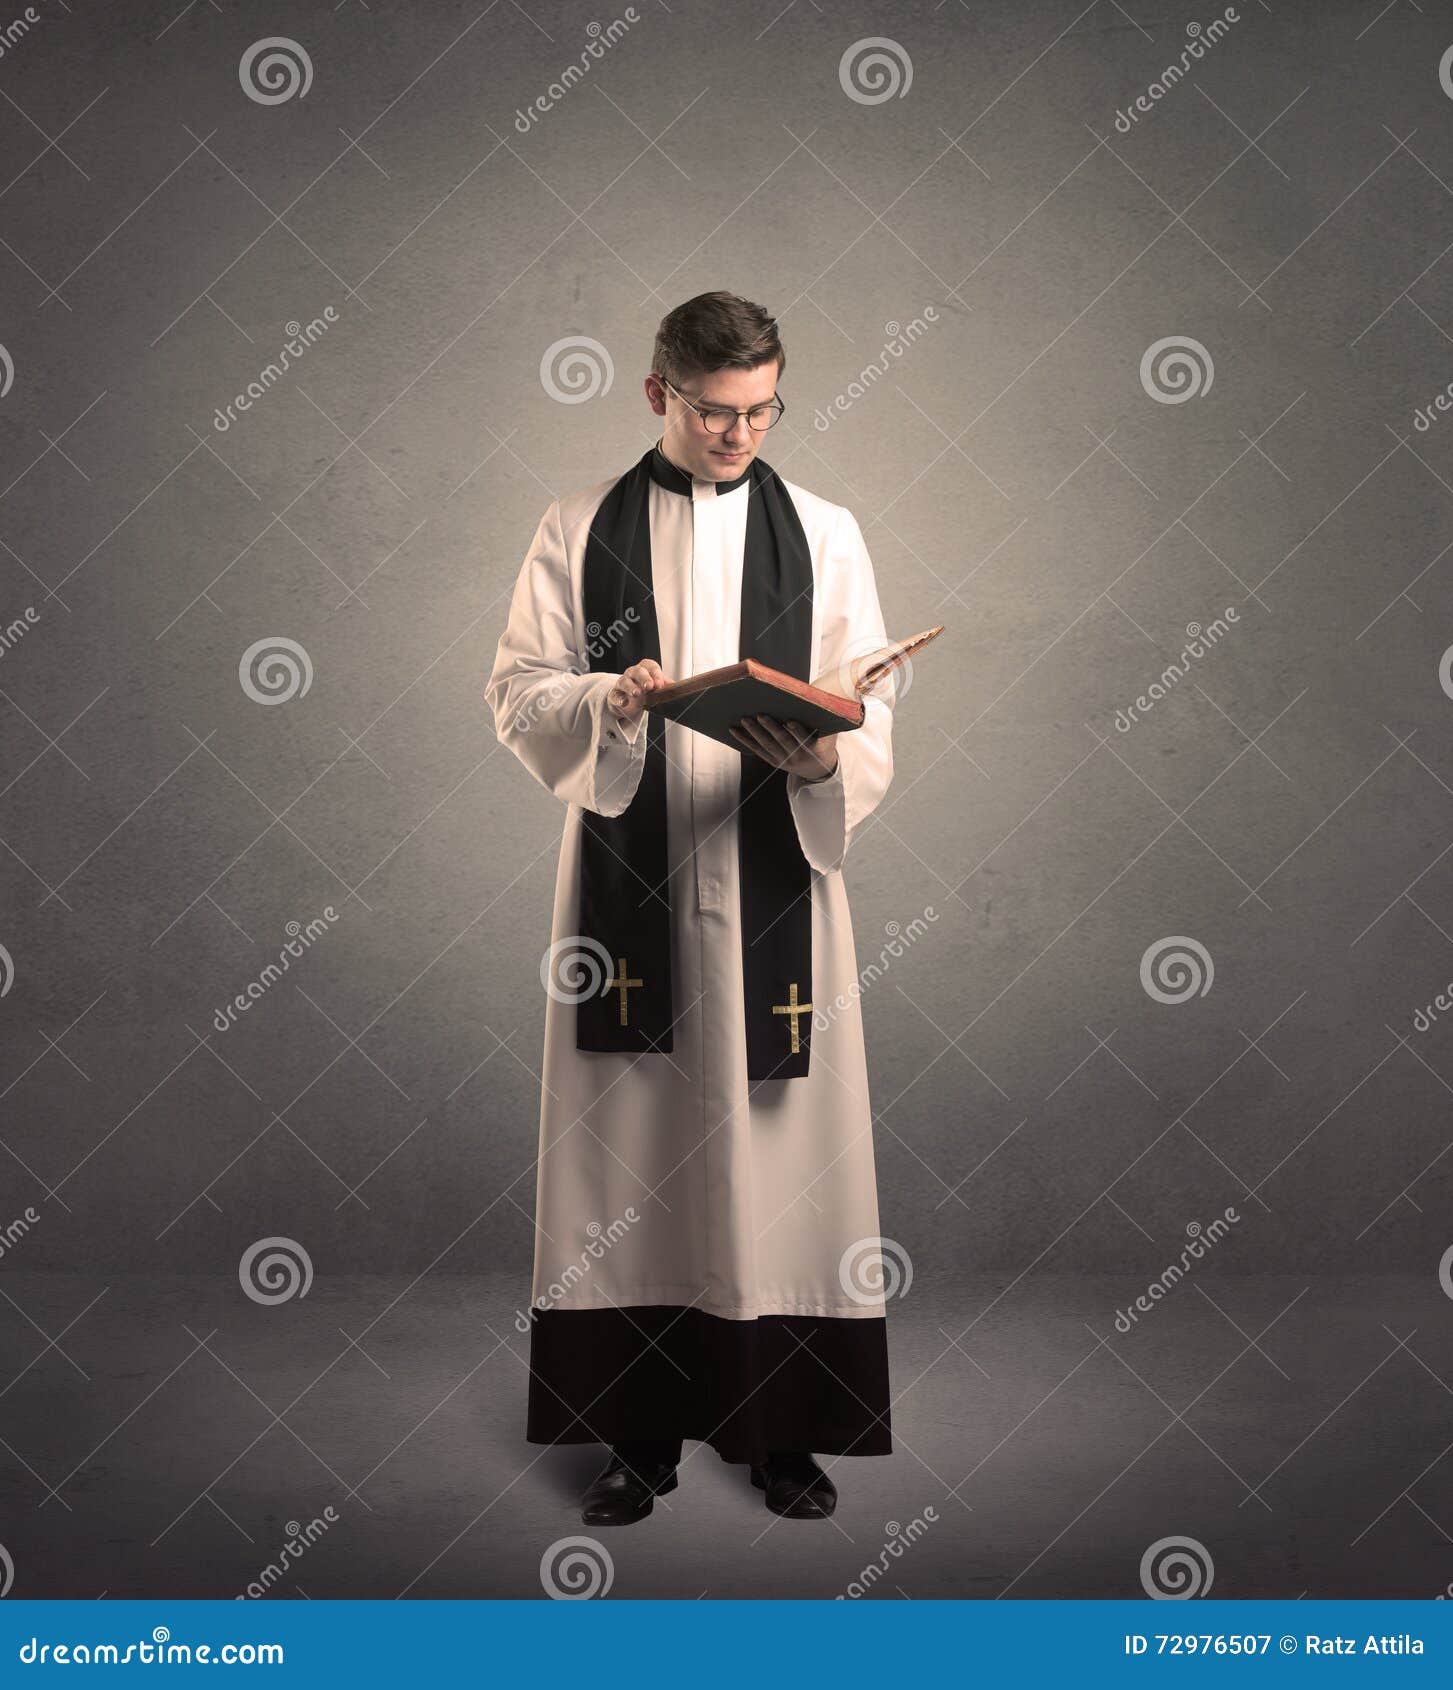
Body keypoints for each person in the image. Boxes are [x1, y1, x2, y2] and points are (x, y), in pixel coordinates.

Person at [486, 290, 897, 1526]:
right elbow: (517, 692)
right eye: (716, 411)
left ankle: (786, 1433)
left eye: (763, 411)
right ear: (658, 392)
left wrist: (823, 756)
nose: (739, 435)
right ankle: (637, 1436)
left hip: (775, 891)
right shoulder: (577, 527)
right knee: (634, 1160)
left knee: (784, 1159)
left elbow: (868, 698)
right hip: (636, 889)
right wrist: (609, 699)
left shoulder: (823, 531)